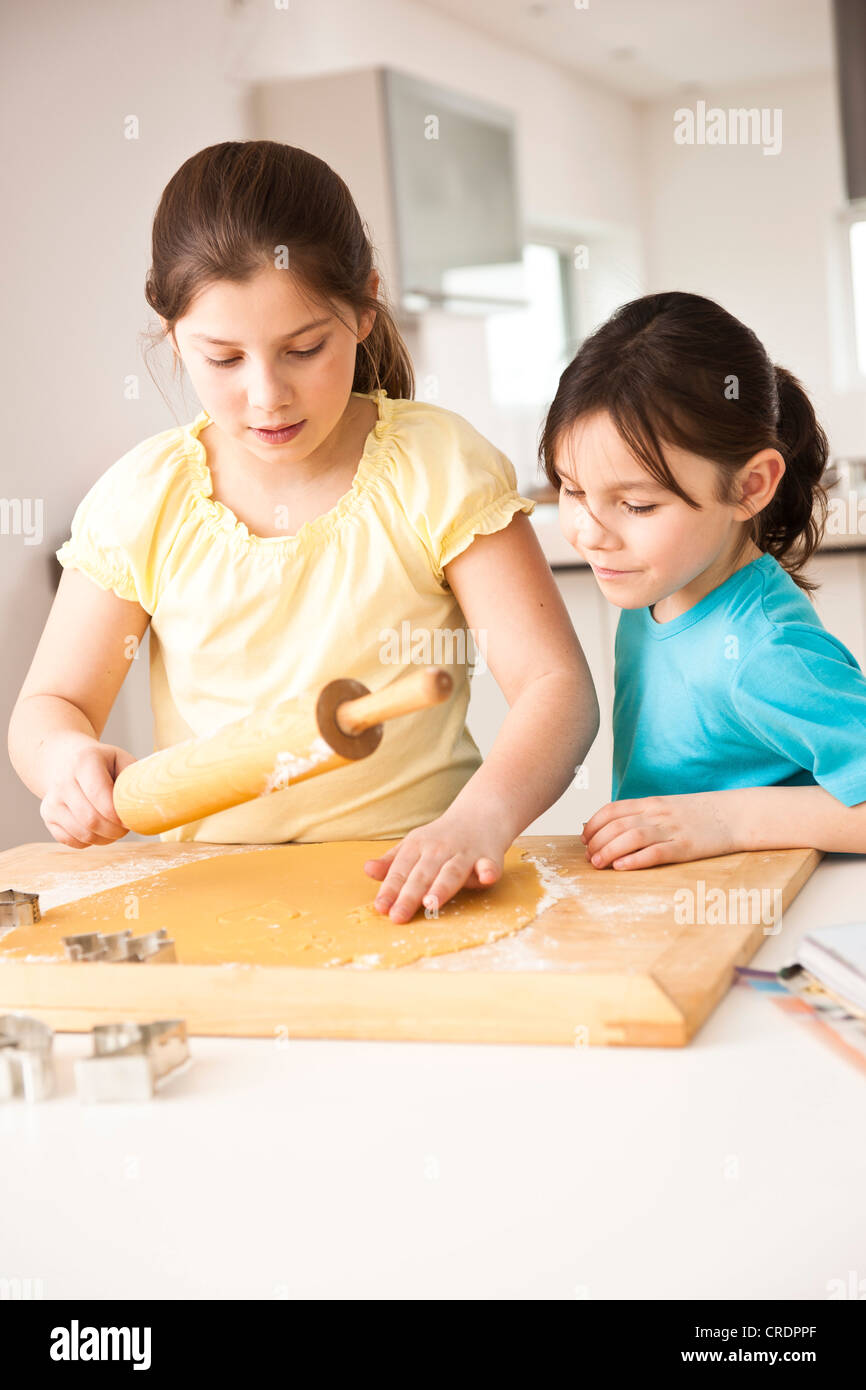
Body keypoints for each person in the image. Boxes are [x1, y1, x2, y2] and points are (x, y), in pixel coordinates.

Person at [8, 140, 599, 923]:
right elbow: (50, 703)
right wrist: (66, 762)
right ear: (169, 330)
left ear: (364, 307)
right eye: (221, 358)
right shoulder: (141, 499)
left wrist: (477, 820)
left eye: (304, 349)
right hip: (210, 903)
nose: (266, 396)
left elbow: (557, 690)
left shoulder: (439, 466)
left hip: (417, 884)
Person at [539, 290, 866, 869]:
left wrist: (726, 820)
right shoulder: (657, 589)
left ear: (750, 486)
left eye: (637, 505)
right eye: (573, 490)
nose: (591, 533)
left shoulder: (767, 653)